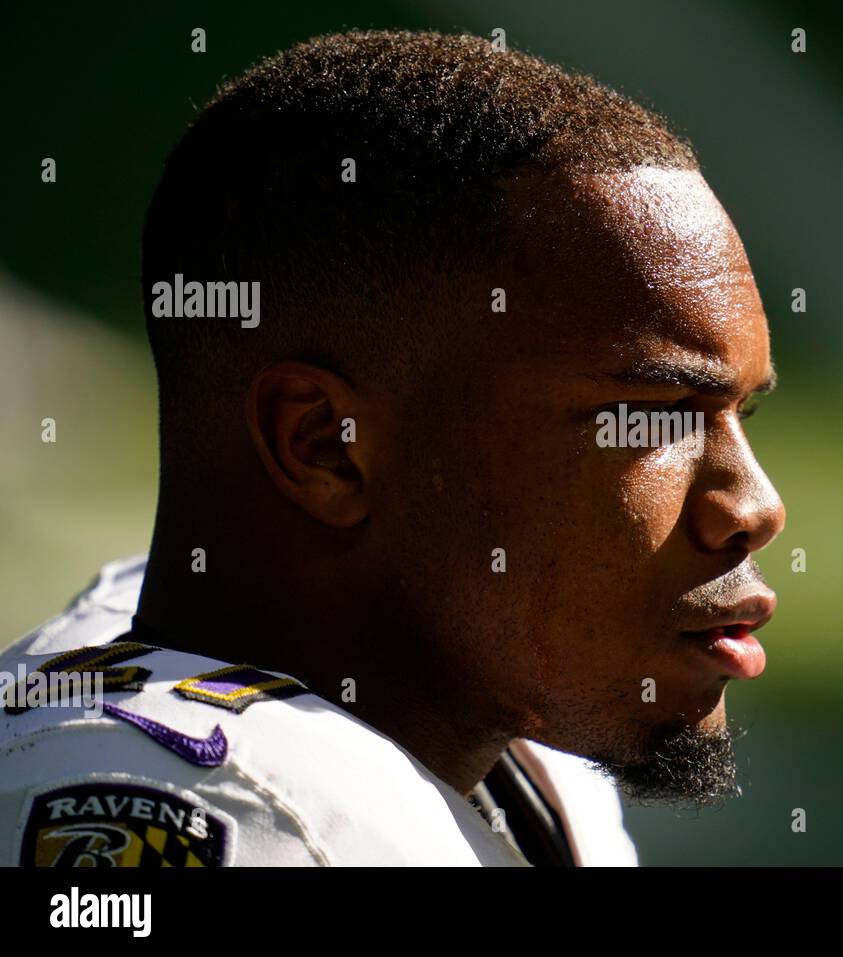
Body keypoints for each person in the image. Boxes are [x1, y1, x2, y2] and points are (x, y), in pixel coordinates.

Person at [0, 28, 785, 866]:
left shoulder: (502, 725)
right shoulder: (222, 815)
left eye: (743, 412)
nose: (756, 506)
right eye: (654, 415)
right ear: (324, 445)